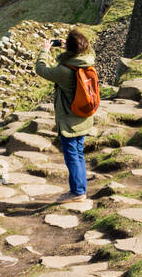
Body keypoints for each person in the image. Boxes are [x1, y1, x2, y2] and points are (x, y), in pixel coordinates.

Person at [35, 28, 100, 203]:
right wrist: (69, 48)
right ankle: (78, 189)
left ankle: (78, 192)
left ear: (71, 49)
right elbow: (89, 50)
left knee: (72, 156)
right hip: (84, 117)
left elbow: (41, 69)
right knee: (78, 153)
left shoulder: (64, 71)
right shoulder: (88, 60)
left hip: (70, 120)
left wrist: (45, 50)